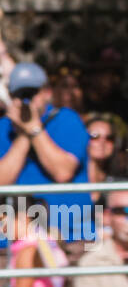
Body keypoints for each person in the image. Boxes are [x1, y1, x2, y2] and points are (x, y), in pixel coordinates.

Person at [0, 62, 94, 242]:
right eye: (20, 94)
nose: (27, 100)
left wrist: (34, 129)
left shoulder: (68, 119)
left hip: (71, 236)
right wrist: (23, 136)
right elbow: (2, 181)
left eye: (32, 92)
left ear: (46, 93)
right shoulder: (3, 128)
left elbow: (62, 172)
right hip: (11, 241)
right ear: (11, 96)